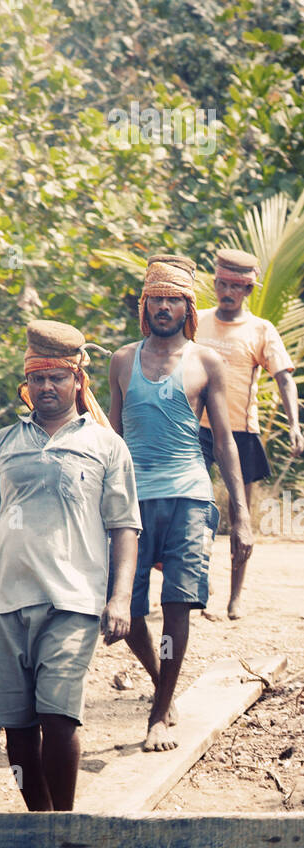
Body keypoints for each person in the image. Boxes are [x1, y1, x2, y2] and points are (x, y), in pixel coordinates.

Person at [0, 319, 140, 811]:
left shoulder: (105, 445)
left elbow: (125, 528)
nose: (47, 387)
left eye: (57, 377)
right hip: (7, 603)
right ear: (25, 384)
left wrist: (119, 598)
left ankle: (64, 827)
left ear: (77, 381)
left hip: (73, 602)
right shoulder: (4, 444)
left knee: (59, 718)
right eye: (38, 378)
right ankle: (39, 824)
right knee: (19, 731)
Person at [108, 256, 254, 752]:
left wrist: (240, 511)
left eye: (174, 299)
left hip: (189, 496)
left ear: (188, 306)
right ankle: (161, 683)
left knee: (177, 607)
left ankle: (157, 715)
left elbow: (225, 442)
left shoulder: (205, 362)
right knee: (125, 609)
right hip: (132, 502)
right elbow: (111, 437)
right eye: (157, 299)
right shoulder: (123, 361)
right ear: (145, 305)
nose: (164, 307)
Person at [197, 247, 303, 618]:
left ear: (248, 290)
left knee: (239, 511)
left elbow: (284, 379)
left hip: (241, 430)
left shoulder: (261, 329)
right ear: (215, 283)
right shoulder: (196, 321)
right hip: (197, 428)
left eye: (235, 287)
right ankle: (201, 583)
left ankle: (236, 595)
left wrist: (294, 425)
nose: (226, 292)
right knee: (196, 507)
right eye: (222, 284)